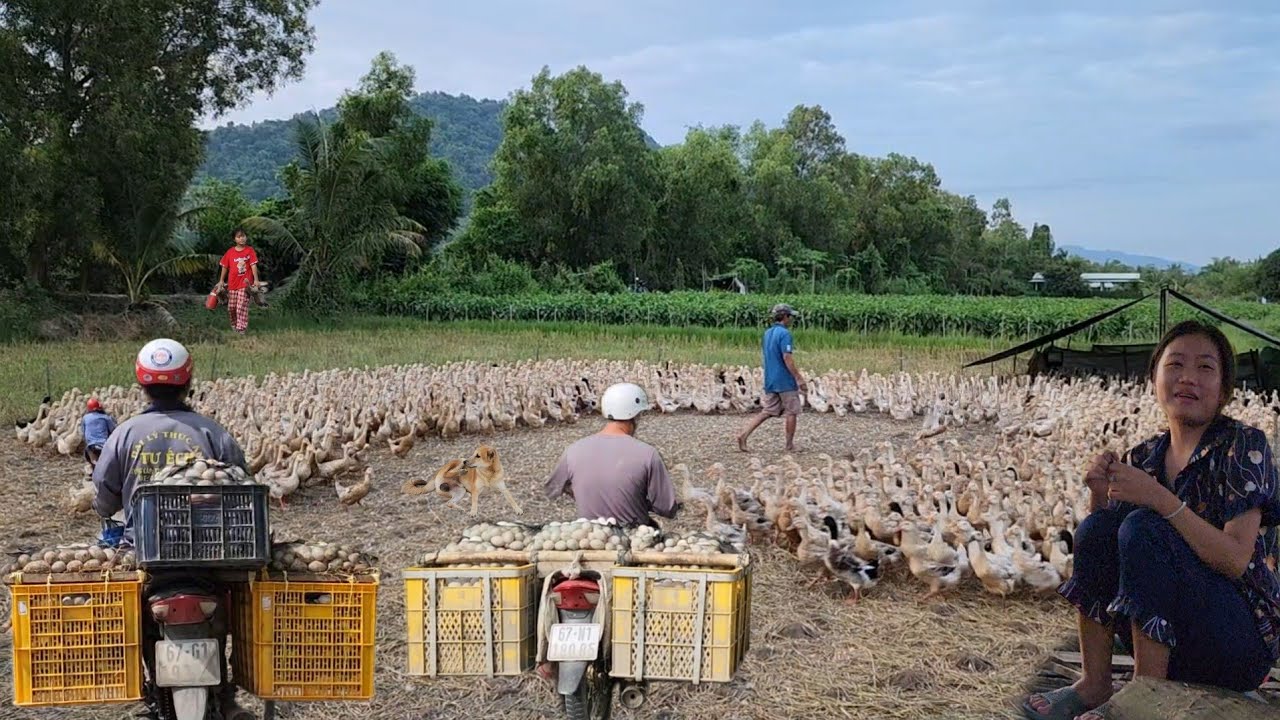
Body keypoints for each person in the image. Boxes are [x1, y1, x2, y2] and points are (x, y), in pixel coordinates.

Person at [1022, 320, 1280, 720]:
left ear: (1224, 390)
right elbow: (1110, 553)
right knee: (1097, 528)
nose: (1188, 377)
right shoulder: (1145, 456)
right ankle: (1094, 683)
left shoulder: (1244, 446)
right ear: (1154, 378)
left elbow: (1234, 559)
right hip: (1173, 637)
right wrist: (1098, 493)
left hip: (1236, 641)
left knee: (1145, 527)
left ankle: (1144, 698)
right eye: (1175, 364)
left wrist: (1160, 498)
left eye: (1205, 367)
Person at [92, 338, 249, 717]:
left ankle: (152, 690)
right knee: (233, 607)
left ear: (141, 384)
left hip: (145, 556)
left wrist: (108, 507)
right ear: (188, 382)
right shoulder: (213, 433)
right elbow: (242, 486)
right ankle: (225, 694)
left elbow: (104, 497)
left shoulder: (124, 434)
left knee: (135, 619)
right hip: (209, 556)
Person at [544, 382, 678, 528]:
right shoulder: (648, 454)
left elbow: (551, 489)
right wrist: (636, 498)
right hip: (633, 535)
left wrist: (584, 492)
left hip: (589, 534)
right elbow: (667, 508)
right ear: (636, 415)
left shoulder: (573, 450)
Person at [736, 303, 808, 453]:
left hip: (770, 378)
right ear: (785, 317)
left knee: (768, 411)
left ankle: (744, 434)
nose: (791, 319)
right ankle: (789, 445)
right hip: (784, 380)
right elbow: (787, 357)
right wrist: (798, 378)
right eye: (790, 316)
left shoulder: (767, 333)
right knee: (792, 411)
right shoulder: (785, 334)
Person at [214, 228, 262, 334]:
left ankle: (241, 329)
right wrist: (221, 280)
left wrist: (256, 280)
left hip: (245, 283)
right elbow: (224, 266)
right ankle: (234, 325)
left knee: (241, 306)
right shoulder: (230, 252)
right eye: (239, 237)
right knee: (231, 307)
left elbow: (253, 265)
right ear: (234, 239)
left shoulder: (249, 250)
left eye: (243, 236)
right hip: (232, 284)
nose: (242, 238)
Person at [81, 397, 116, 469]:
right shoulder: (106, 417)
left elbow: (83, 433)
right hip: (104, 445)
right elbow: (114, 430)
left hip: (90, 447)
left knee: (93, 463)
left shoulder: (85, 418)